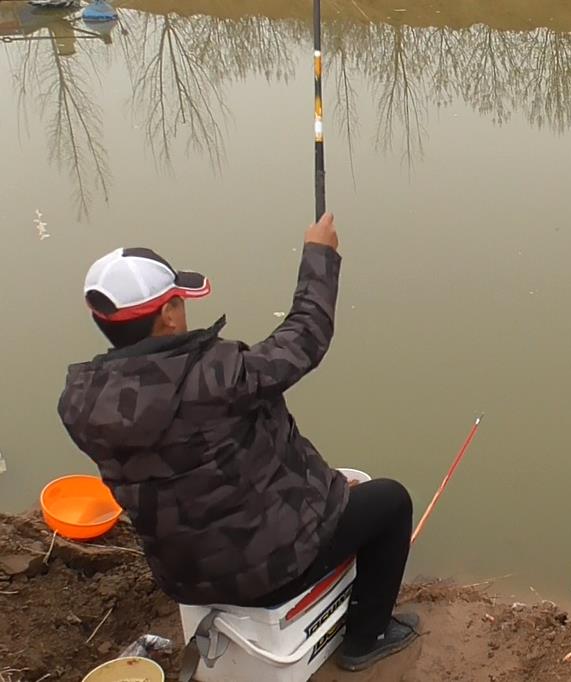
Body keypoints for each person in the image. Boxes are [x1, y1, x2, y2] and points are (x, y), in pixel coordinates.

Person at [57, 214, 420, 672]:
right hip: (270, 570)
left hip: (183, 577)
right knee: (390, 502)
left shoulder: (80, 403)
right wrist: (320, 255)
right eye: (178, 301)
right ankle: (367, 638)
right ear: (169, 314)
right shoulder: (218, 375)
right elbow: (304, 337)